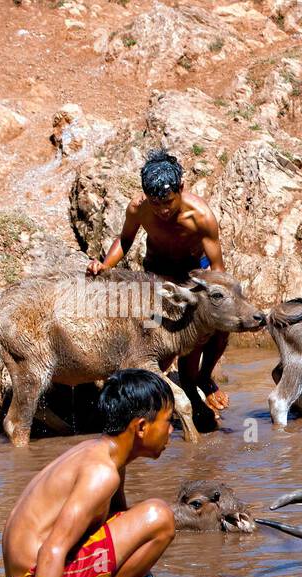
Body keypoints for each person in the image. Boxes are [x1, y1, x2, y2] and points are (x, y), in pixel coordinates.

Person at [0, 369, 187, 577]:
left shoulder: (104, 454)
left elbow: (123, 526)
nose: (172, 431)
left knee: (145, 518)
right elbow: (52, 549)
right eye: (169, 421)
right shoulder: (102, 474)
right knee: (161, 516)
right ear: (141, 427)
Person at [87, 149, 231, 424]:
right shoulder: (138, 208)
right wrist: (105, 265)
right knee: (153, 332)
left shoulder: (201, 216)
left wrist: (213, 304)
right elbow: (125, 240)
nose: (163, 210)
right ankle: (161, 396)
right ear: (145, 196)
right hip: (158, 278)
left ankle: (202, 379)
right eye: (156, 203)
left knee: (210, 333)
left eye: (168, 202)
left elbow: (218, 269)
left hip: (194, 274)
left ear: (181, 188)